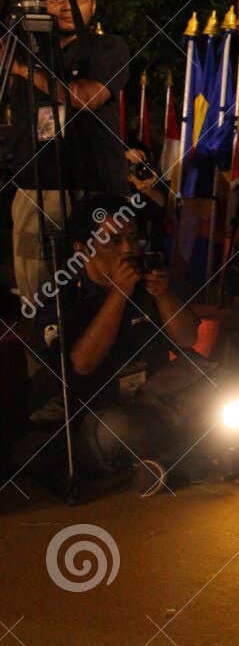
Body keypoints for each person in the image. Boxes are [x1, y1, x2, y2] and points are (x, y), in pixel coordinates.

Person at [26, 195, 202, 490]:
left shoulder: (149, 280)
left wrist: (162, 295)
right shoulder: (61, 297)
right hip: (96, 414)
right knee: (116, 430)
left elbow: (188, 338)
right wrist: (118, 294)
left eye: (133, 239)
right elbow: (82, 364)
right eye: (113, 241)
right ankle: (176, 463)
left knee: (219, 387)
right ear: (82, 251)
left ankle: (164, 465)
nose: (128, 250)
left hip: (153, 402)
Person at [7, 0, 129, 316]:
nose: (66, 5)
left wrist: (22, 70)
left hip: (95, 186)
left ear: (93, 6)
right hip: (36, 186)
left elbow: (87, 98)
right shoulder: (23, 49)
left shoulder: (108, 47)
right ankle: (42, 367)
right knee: (37, 292)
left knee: (104, 287)